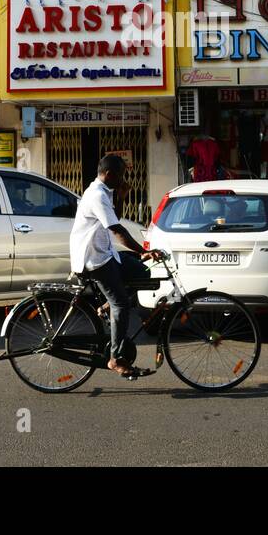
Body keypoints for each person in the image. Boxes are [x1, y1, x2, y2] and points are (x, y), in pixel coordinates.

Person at [69, 154, 161, 375]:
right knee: (121, 304)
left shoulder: (105, 192)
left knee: (142, 272)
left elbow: (114, 218)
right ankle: (116, 359)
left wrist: (120, 196)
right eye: (120, 175)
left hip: (106, 253)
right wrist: (143, 251)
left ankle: (105, 307)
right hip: (94, 259)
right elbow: (117, 230)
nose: (123, 178)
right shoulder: (96, 196)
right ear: (109, 174)